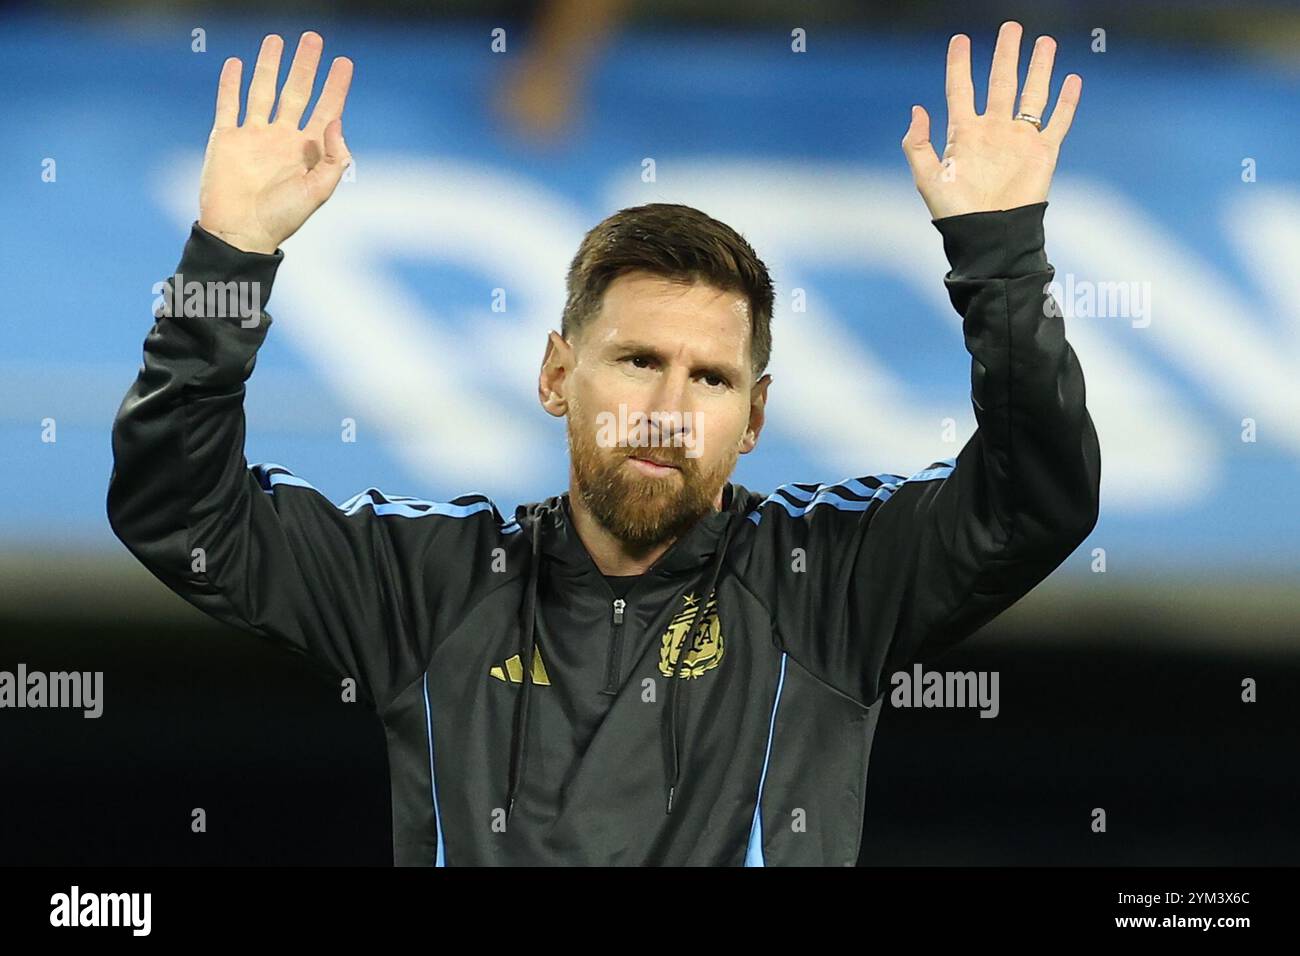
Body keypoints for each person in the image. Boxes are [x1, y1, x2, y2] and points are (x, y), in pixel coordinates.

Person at [107, 23, 1100, 866]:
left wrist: (1000, 257)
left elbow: (1035, 497)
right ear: (554, 376)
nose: (668, 406)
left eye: (709, 378)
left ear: (752, 418)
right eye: (636, 361)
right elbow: (180, 511)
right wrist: (228, 259)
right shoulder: (435, 583)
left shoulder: (830, 582)